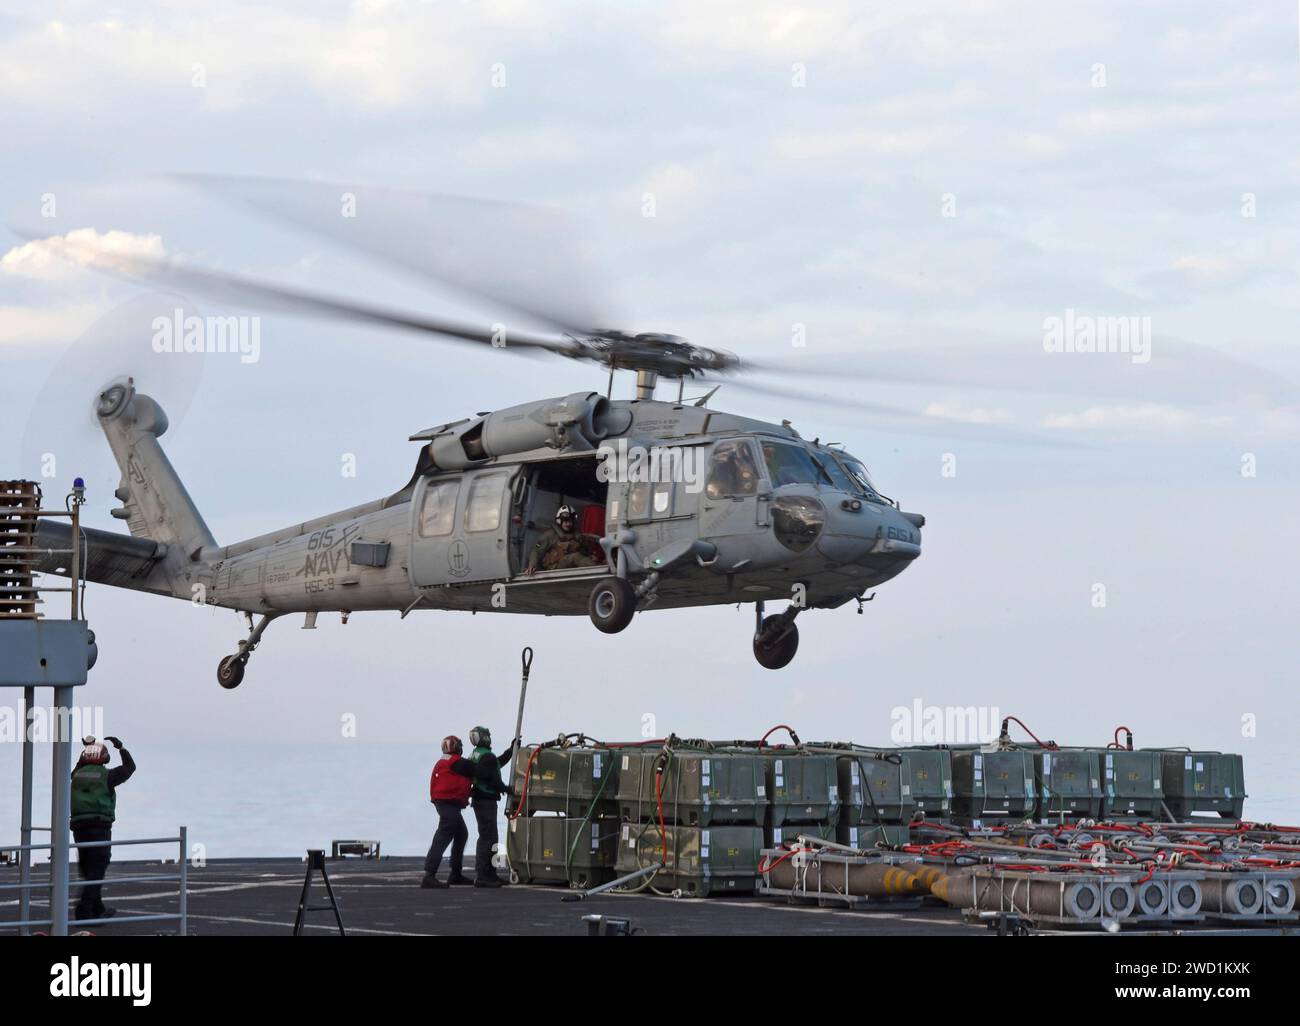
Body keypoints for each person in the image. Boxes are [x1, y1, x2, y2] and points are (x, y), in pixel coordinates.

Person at [70, 735, 135, 921]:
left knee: (88, 868)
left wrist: (87, 750)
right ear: (104, 758)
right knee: (97, 868)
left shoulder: (76, 774)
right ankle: (84, 910)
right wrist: (121, 748)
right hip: (100, 826)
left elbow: (79, 765)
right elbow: (130, 768)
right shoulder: (107, 776)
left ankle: (98, 909)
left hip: (79, 827)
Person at [452, 726, 516, 887]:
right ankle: (483, 875)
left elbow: (496, 764)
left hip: (479, 799)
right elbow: (494, 779)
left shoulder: (477, 754)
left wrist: (511, 751)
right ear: (485, 738)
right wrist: (508, 789)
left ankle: (491, 874)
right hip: (486, 800)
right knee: (489, 838)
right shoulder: (487, 756)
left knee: (489, 837)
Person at [421, 735, 472, 889]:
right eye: (459, 745)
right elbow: (477, 769)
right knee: (444, 835)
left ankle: (455, 873)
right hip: (448, 803)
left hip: (447, 803)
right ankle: (429, 874)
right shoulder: (456, 762)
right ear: (455, 747)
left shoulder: (443, 762)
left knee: (461, 834)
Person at [524, 505, 602, 574]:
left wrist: (591, 557)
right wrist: (532, 565)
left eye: (570, 521)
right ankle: (600, 571)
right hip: (555, 568)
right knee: (575, 557)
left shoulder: (577, 536)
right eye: (566, 521)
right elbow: (536, 549)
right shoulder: (551, 534)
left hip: (571, 568)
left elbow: (585, 551)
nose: (568, 524)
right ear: (559, 521)